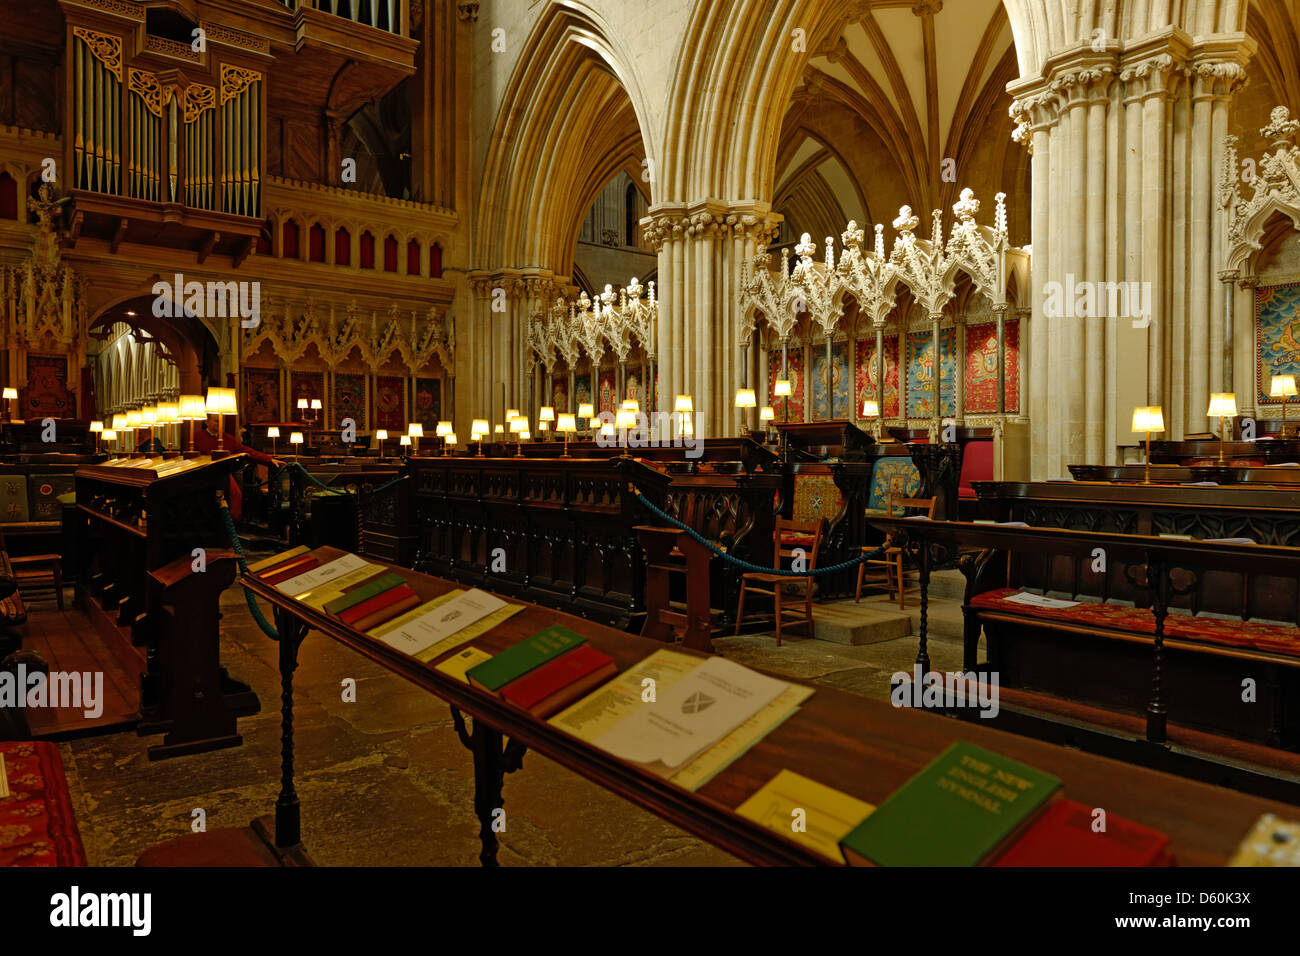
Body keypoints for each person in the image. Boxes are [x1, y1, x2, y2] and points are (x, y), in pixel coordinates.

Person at [194, 416, 281, 519]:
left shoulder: (228, 438)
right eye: (216, 421)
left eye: (221, 422)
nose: (219, 424)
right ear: (207, 422)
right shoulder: (197, 437)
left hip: (223, 474)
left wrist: (269, 459)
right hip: (203, 475)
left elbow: (247, 451)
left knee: (235, 495)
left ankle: (232, 525)